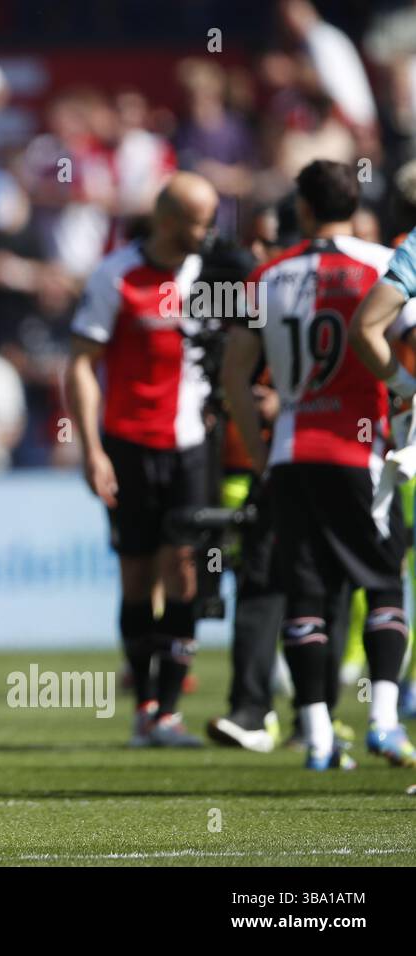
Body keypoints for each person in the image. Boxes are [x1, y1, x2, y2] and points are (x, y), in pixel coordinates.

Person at [225, 158, 416, 771]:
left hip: (290, 454)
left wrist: (260, 455)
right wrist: (403, 387)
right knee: (383, 581)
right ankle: (385, 723)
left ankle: (318, 739)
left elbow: (234, 374)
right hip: (360, 452)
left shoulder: (269, 275)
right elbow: (396, 335)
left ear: (302, 209)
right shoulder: (377, 265)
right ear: (355, 204)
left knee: (304, 593)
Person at [65, 172, 219, 747]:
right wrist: (92, 449)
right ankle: (144, 705)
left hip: (191, 447)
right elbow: (81, 361)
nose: (208, 232)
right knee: (136, 574)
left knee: (184, 570)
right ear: (169, 220)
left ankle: (170, 712)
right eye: (200, 221)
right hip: (129, 445)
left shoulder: (214, 277)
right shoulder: (116, 275)